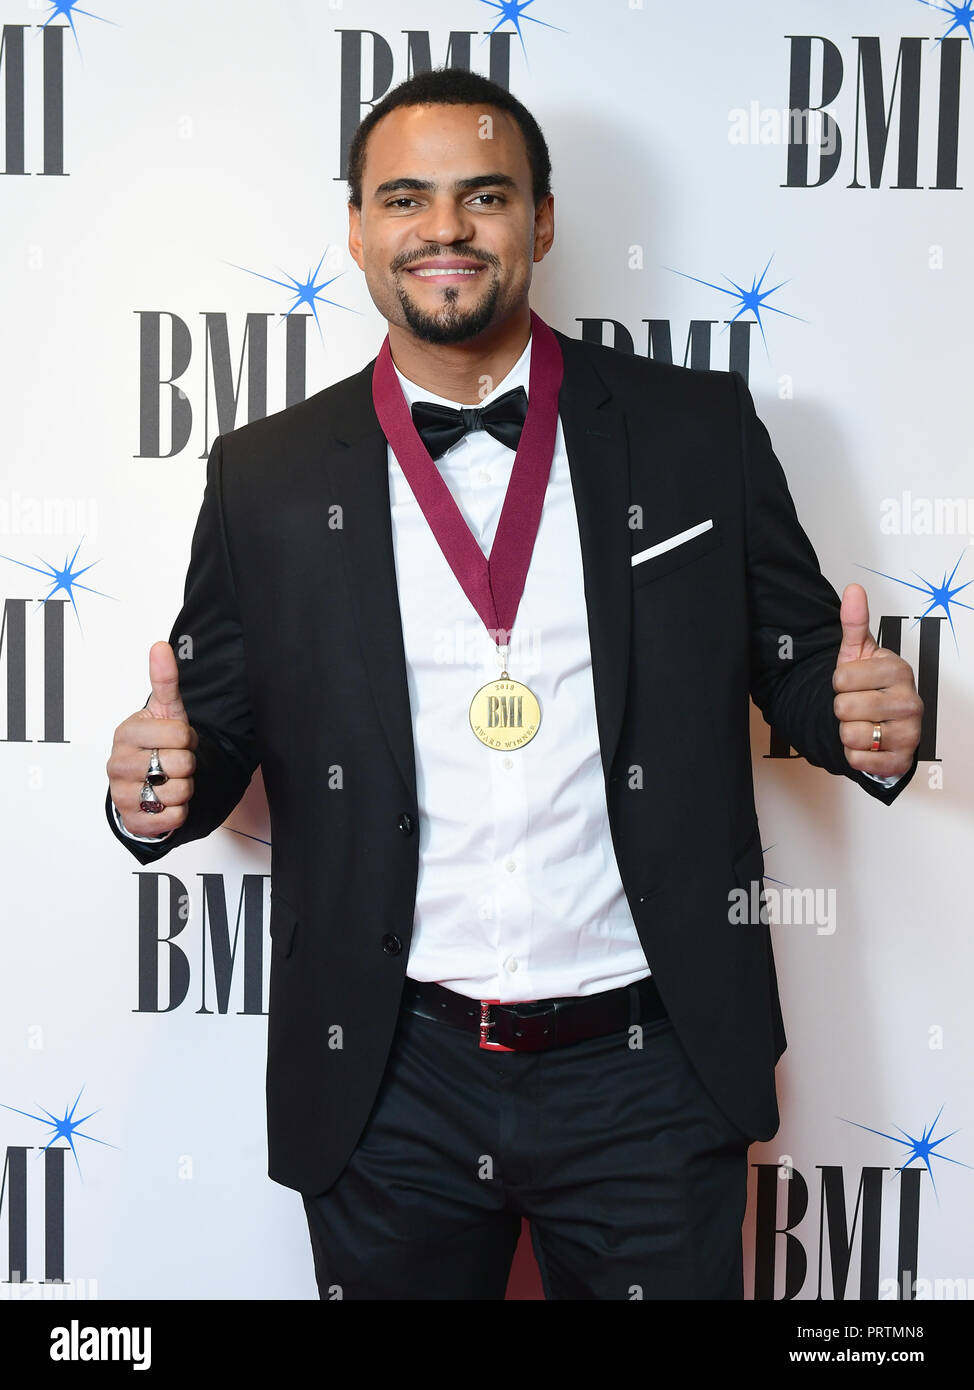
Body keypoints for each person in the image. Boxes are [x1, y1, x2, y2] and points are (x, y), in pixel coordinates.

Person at [104, 68, 923, 1300]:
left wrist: (857, 716)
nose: (443, 229)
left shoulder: (696, 430)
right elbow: (210, 726)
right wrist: (159, 787)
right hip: (390, 1077)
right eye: (405, 200)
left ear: (540, 221)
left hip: (648, 1065)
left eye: (483, 196)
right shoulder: (264, 474)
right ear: (356, 231)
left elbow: (802, 665)